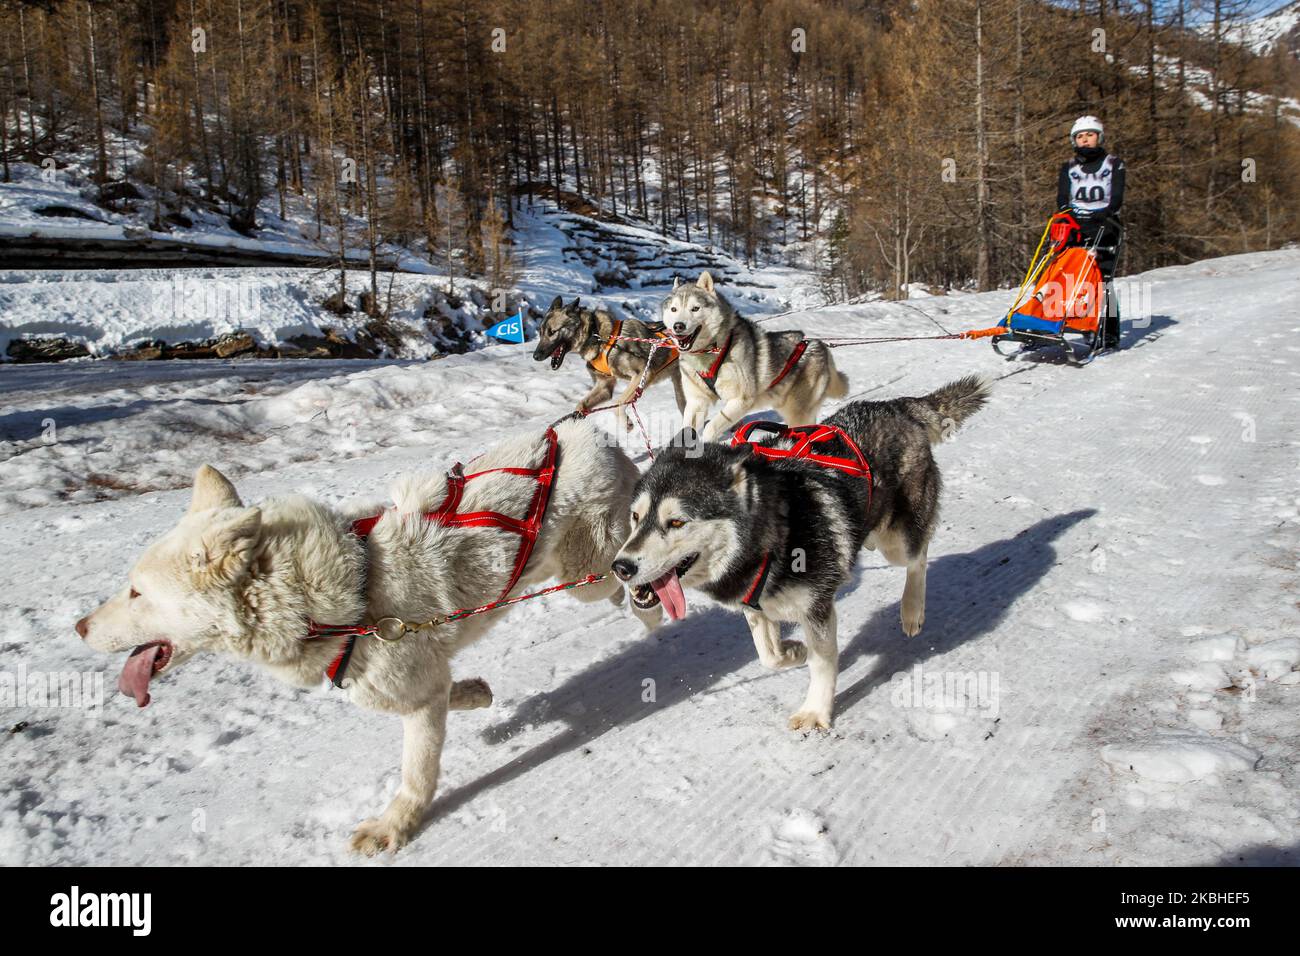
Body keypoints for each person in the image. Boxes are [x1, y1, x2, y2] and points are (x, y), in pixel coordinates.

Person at [1057, 115, 1125, 350]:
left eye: (1090, 135)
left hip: (1106, 225)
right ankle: (1062, 323)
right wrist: (1066, 215)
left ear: (1099, 137)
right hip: (1076, 226)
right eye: (1080, 136)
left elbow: (1116, 197)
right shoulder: (1069, 167)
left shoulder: (1113, 163)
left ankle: (1109, 331)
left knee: (1103, 282)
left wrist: (1106, 212)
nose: (1085, 140)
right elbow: (1062, 199)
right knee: (1066, 276)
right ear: (1074, 140)